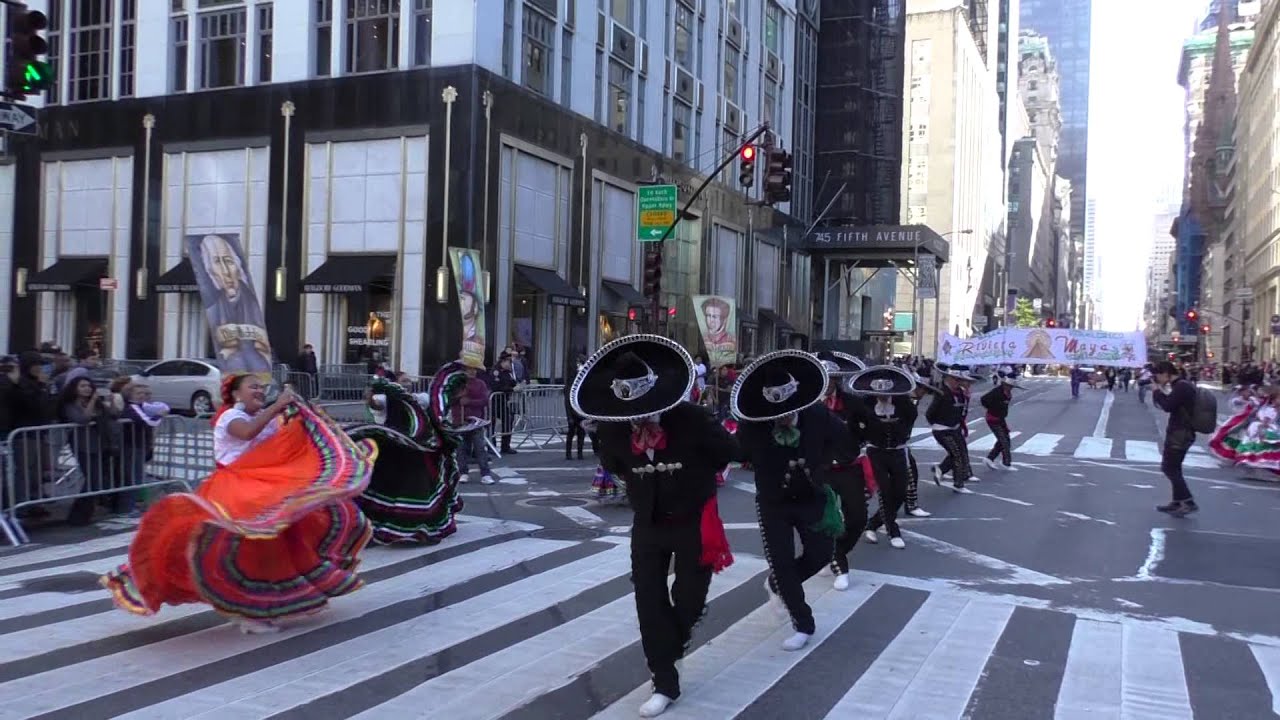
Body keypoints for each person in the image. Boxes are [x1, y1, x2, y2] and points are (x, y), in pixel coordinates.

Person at [101, 375, 375, 633]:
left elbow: (279, 438)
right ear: (235, 393)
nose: (259, 391)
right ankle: (247, 613)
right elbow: (245, 433)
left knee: (267, 552)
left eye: (261, 388)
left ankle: (260, 608)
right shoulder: (230, 416)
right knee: (239, 553)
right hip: (232, 492)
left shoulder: (261, 418)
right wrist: (278, 405)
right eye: (252, 387)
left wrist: (303, 414)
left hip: (259, 489)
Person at [572, 334, 737, 718]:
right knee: (648, 600)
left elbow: (727, 454)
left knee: (690, 599)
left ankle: (671, 647)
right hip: (647, 523)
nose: (638, 420)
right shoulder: (613, 429)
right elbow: (615, 465)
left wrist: (694, 472)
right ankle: (664, 680)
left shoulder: (693, 419)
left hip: (693, 520)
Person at [732, 350, 844, 653]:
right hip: (774, 501)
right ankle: (803, 623)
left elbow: (843, 439)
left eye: (785, 411)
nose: (781, 416)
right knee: (781, 561)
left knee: (821, 554)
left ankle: (779, 584)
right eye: (775, 412)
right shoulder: (755, 423)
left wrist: (826, 464)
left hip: (811, 497)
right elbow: (739, 453)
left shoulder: (817, 414)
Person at [348, 364, 483, 543]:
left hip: (417, 452)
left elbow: (440, 402)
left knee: (419, 487)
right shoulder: (387, 398)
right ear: (395, 382)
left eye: (409, 382)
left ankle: (419, 527)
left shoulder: (420, 399)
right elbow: (374, 402)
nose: (407, 384)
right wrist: (372, 392)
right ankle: (381, 527)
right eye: (403, 381)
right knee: (389, 488)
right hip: (394, 450)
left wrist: (458, 384)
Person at [847, 365, 919, 550]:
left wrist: (898, 431)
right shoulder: (866, 403)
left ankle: (872, 524)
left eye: (886, 393)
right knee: (885, 491)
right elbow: (855, 423)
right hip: (876, 451)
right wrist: (864, 435)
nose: (882, 397)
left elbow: (911, 418)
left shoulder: (903, 403)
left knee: (900, 492)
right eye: (879, 393)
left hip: (897, 451)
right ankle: (893, 531)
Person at [815, 351, 868, 590]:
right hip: (819, 469)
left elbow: (868, 430)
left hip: (848, 467)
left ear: (837, 380)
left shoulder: (854, 403)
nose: (827, 384)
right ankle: (840, 564)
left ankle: (836, 553)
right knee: (826, 519)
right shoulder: (807, 405)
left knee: (858, 518)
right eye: (822, 378)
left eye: (831, 378)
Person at [1152, 360, 1200, 517]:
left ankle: (1187, 501)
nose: (1157, 379)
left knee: (1169, 467)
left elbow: (1168, 406)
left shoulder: (1181, 387)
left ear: (1166, 373)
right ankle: (1177, 501)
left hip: (1181, 432)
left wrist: (1156, 391)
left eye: (1158, 375)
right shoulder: (1182, 386)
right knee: (1175, 467)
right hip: (1182, 431)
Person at [926, 364, 978, 493]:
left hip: (954, 427)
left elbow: (961, 412)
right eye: (955, 379)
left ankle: (942, 469)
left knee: (960, 451)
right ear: (948, 378)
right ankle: (958, 484)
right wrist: (938, 424)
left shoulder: (960, 393)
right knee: (956, 454)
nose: (958, 382)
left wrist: (966, 399)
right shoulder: (941, 392)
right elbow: (929, 413)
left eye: (958, 380)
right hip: (942, 429)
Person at [981, 366, 1021, 473]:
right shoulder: (997, 392)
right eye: (1008, 385)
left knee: (1005, 439)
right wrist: (992, 408)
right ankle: (1006, 463)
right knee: (1004, 441)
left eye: (1012, 386)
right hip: (992, 419)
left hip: (1001, 419)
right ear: (1004, 384)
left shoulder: (1008, 393)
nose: (1010, 387)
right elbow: (983, 399)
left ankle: (989, 459)